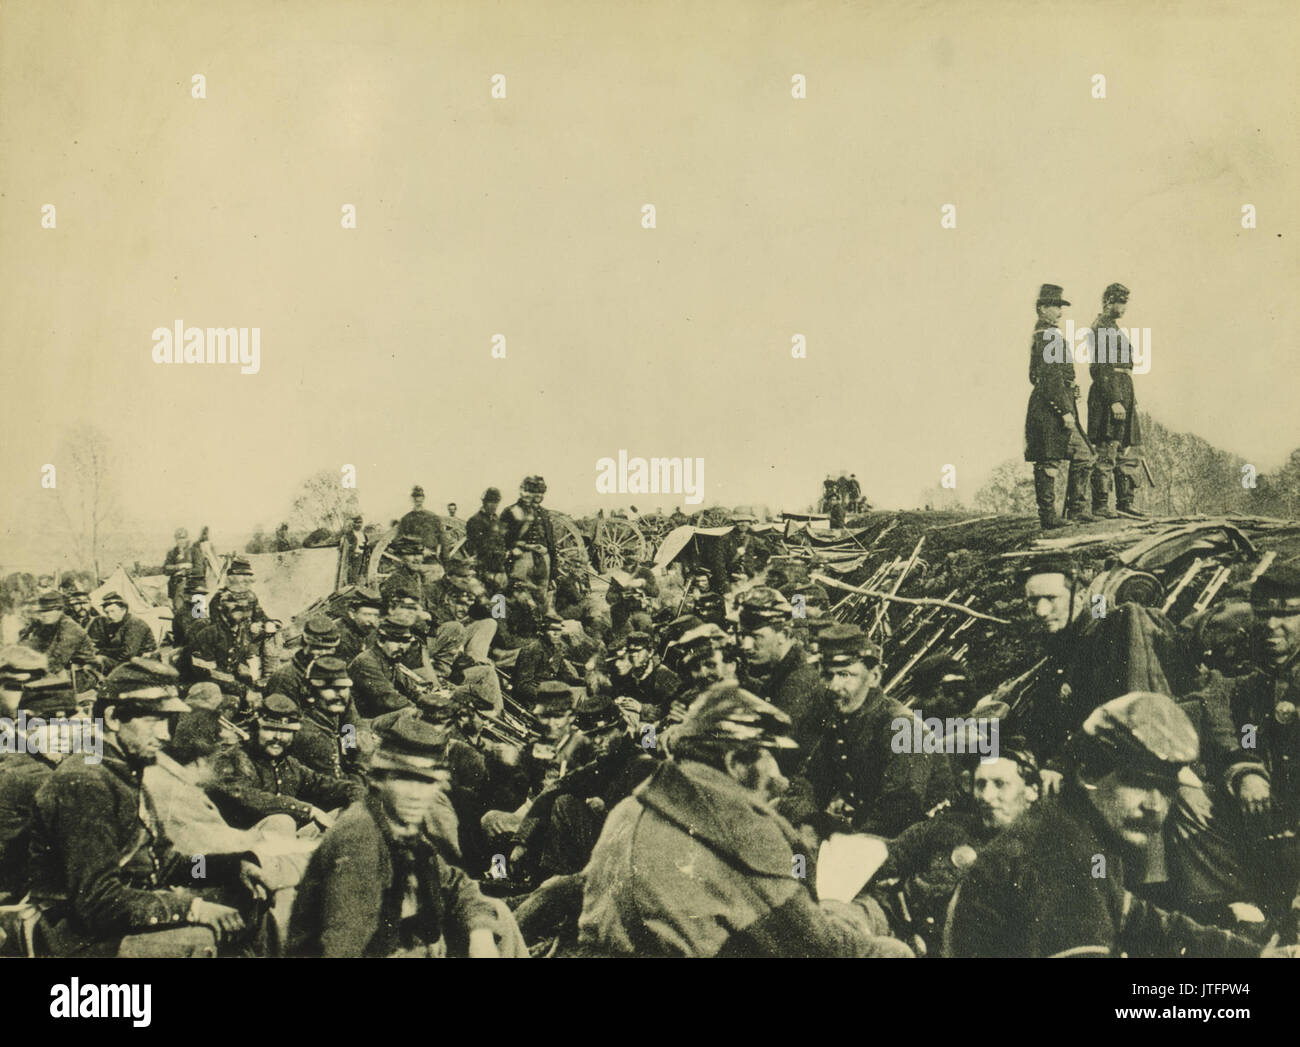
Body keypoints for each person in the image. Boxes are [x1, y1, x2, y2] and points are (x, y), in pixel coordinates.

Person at [576, 683, 909, 957]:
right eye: (768, 756)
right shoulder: (735, 830)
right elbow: (816, 946)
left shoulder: (632, 807)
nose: (777, 777)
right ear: (736, 762)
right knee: (890, 952)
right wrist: (861, 912)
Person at [948, 691, 1281, 958]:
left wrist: (1254, 954)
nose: (1154, 805)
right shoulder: (1061, 855)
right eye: (1137, 782)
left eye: (1166, 788)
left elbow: (1141, 919)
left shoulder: (1072, 832)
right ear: (1089, 773)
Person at [28, 659, 270, 957]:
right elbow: (96, 902)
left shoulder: (122, 769)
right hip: (78, 939)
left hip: (118, 920)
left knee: (248, 899)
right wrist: (192, 908)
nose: (165, 735)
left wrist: (232, 868)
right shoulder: (85, 781)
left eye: (167, 722)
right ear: (114, 718)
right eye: (153, 720)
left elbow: (166, 865)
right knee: (199, 938)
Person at [287, 716, 523, 957]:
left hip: (397, 944)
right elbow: (343, 946)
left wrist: (479, 934)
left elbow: (454, 883)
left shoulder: (397, 826)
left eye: (427, 782)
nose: (416, 794)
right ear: (380, 779)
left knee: (495, 913)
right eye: (404, 779)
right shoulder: (360, 838)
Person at [1172, 562, 1300, 919]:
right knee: (1187, 798)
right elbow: (1239, 730)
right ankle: (1236, 908)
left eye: (1288, 615)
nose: (1272, 626)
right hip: (1272, 811)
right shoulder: (1255, 676)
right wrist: (1246, 770)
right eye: (1263, 615)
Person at [1005, 554, 1188, 773]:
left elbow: (1127, 715)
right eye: (1033, 601)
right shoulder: (1061, 643)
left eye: (1052, 598)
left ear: (1081, 596)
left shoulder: (1114, 630)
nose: (1041, 611)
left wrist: (1059, 765)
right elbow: (1045, 720)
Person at [866, 734, 1041, 956]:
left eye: (1000, 784)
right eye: (980, 784)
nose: (986, 796)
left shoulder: (1040, 857)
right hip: (889, 926)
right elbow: (888, 856)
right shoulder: (949, 827)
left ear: (1032, 790)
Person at [800, 624, 952, 837]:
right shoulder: (843, 722)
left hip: (922, 841)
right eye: (827, 675)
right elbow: (810, 784)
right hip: (872, 835)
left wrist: (843, 844)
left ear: (874, 677)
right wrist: (805, 822)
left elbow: (899, 811)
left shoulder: (901, 727)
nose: (833, 686)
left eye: (845, 675)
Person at [207, 693, 361, 831]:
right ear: (256, 729)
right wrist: (307, 810)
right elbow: (245, 796)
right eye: (270, 729)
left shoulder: (289, 765)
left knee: (346, 813)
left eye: (286, 731)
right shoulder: (231, 758)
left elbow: (325, 784)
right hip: (242, 847)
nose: (278, 737)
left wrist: (361, 794)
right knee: (282, 821)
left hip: (282, 846)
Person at [0, 674, 82, 902]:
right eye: (50, 722)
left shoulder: (15, 755)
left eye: (69, 720)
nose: (63, 732)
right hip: (19, 898)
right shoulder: (35, 775)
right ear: (25, 724)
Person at [1023, 283, 1096, 529]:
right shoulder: (1046, 335)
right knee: (1048, 461)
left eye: (1059, 306)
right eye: (1055, 306)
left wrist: (1069, 388)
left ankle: (1076, 510)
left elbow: (1045, 375)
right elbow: (1049, 377)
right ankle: (1048, 517)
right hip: (1048, 409)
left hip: (1057, 401)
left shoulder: (1048, 334)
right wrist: (1064, 409)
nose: (1059, 312)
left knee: (1084, 454)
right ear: (1042, 308)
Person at [736, 587, 827, 755]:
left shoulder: (799, 681)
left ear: (784, 634)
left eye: (756, 637)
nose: (745, 646)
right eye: (743, 635)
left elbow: (773, 747)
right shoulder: (787, 665)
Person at [1088, 282, 1147, 519]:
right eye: (1119, 302)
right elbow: (1101, 368)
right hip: (1108, 394)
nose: (1123, 307)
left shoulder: (1113, 328)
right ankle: (1101, 505)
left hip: (1123, 391)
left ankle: (1125, 502)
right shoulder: (1102, 327)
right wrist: (1114, 400)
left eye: (1125, 303)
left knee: (1125, 448)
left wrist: (1128, 398)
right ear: (1107, 302)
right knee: (1107, 449)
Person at [501, 476, 559, 599]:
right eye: (534, 491)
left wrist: (553, 571)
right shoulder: (510, 511)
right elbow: (502, 540)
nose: (539, 495)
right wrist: (527, 546)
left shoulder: (543, 513)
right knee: (520, 596)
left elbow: (551, 542)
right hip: (521, 560)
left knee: (541, 597)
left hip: (543, 560)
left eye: (541, 492)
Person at [18, 591, 96, 672]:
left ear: (59, 611)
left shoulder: (71, 628)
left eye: (47, 611)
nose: (43, 615)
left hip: (83, 674)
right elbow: (33, 645)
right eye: (41, 611)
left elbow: (56, 662)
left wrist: (26, 666)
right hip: (64, 671)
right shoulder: (48, 626)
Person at [87, 591, 157, 669]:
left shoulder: (134, 624)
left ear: (123, 610)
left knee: (99, 660)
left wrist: (102, 652)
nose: (109, 615)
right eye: (107, 612)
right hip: (127, 660)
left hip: (145, 663)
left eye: (113, 611)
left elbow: (128, 652)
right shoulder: (115, 623)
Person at [464, 487, 507, 585]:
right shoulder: (475, 520)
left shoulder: (497, 520)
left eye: (496, 502)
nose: (494, 506)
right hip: (483, 565)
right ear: (484, 502)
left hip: (499, 564)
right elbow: (473, 545)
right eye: (491, 502)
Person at [396, 485, 449, 565]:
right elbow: (398, 540)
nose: (418, 499)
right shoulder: (406, 519)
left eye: (420, 496)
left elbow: (442, 538)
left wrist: (445, 559)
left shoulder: (433, 517)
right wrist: (418, 550)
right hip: (412, 558)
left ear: (423, 498)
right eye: (415, 497)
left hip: (431, 556)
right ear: (412, 499)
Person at [332, 586, 382, 664]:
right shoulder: (340, 632)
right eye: (367, 614)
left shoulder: (370, 629)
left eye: (376, 615)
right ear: (352, 614)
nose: (372, 620)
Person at [163, 528, 194, 615]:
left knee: (196, 613)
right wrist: (179, 566)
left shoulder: (193, 552)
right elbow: (165, 569)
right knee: (178, 612)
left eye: (183, 538)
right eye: (179, 538)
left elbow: (199, 568)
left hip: (191, 585)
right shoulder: (172, 553)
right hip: (175, 586)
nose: (181, 541)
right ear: (175, 540)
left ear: (187, 538)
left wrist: (186, 571)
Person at [340, 515, 368, 585]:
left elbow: (366, 544)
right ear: (353, 524)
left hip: (361, 555)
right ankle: (351, 585)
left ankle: (357, 584)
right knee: (352, 572)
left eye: (360, 523)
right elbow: (344, 544)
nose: (359, 525)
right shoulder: (350, 534)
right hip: (353, 555)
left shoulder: (363, 534)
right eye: (357, 523)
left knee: (360, 572)